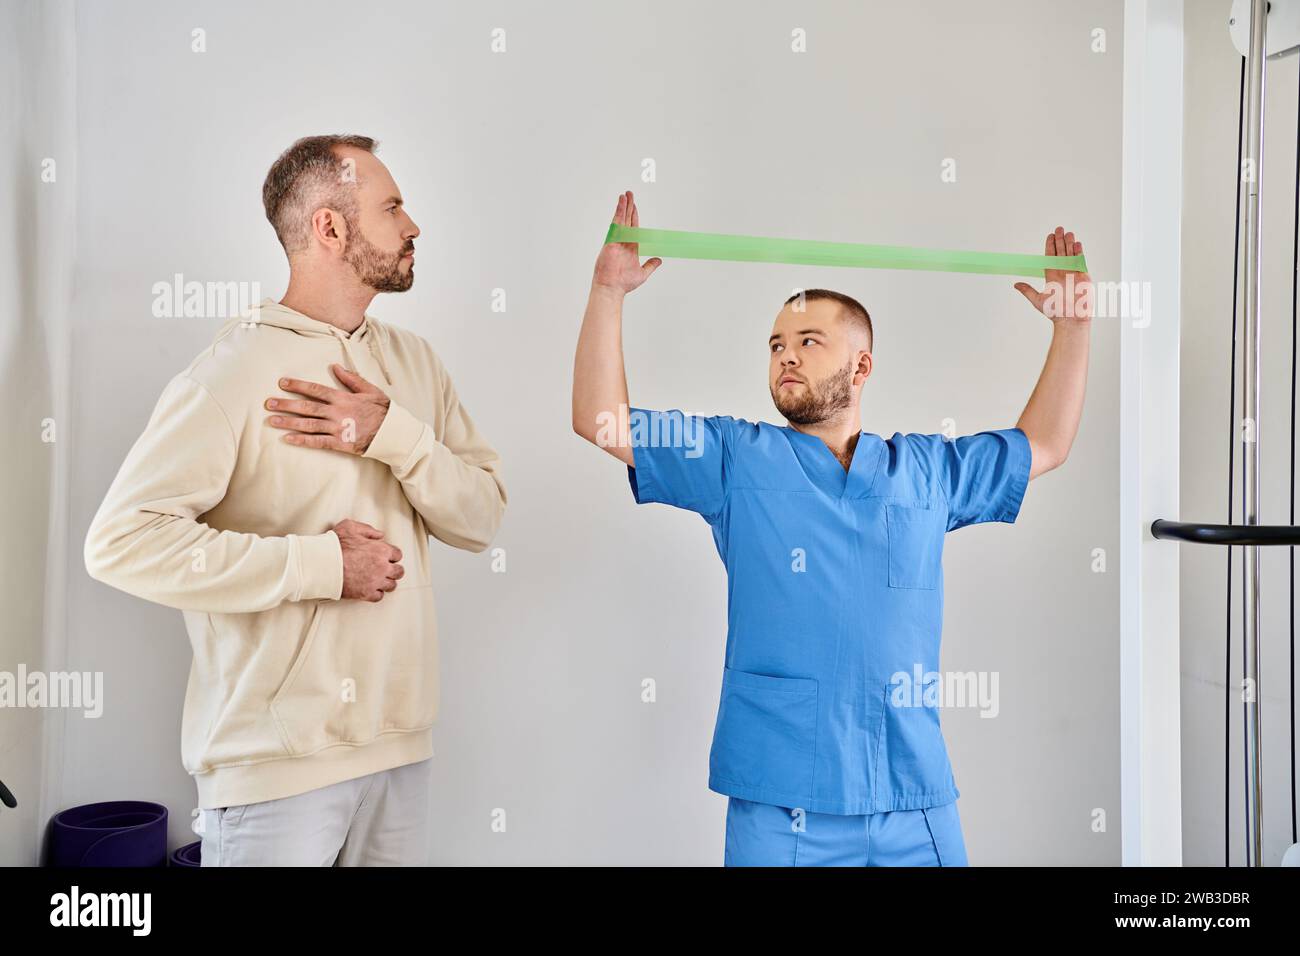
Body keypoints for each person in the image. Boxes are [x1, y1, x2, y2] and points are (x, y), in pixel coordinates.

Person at [571, 190, 1090, 866]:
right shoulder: (732, 458)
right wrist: (607, 293)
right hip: (782, 804)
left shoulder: (925, 470)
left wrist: (1074, 328)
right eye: (777, 345)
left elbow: (1043, 444)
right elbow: (599, 419)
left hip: (913, 797)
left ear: (862, 366)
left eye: (809, 342)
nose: (786, 356)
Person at [84, 134, 507, 865]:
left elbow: (481, 518)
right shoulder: (233, 371)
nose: (413, 227)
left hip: (400, 754)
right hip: (275, 772)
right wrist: (321, 566)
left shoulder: (415, 364)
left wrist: (391, 434)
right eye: (393, 206)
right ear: (331, 227)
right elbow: (121, 541)